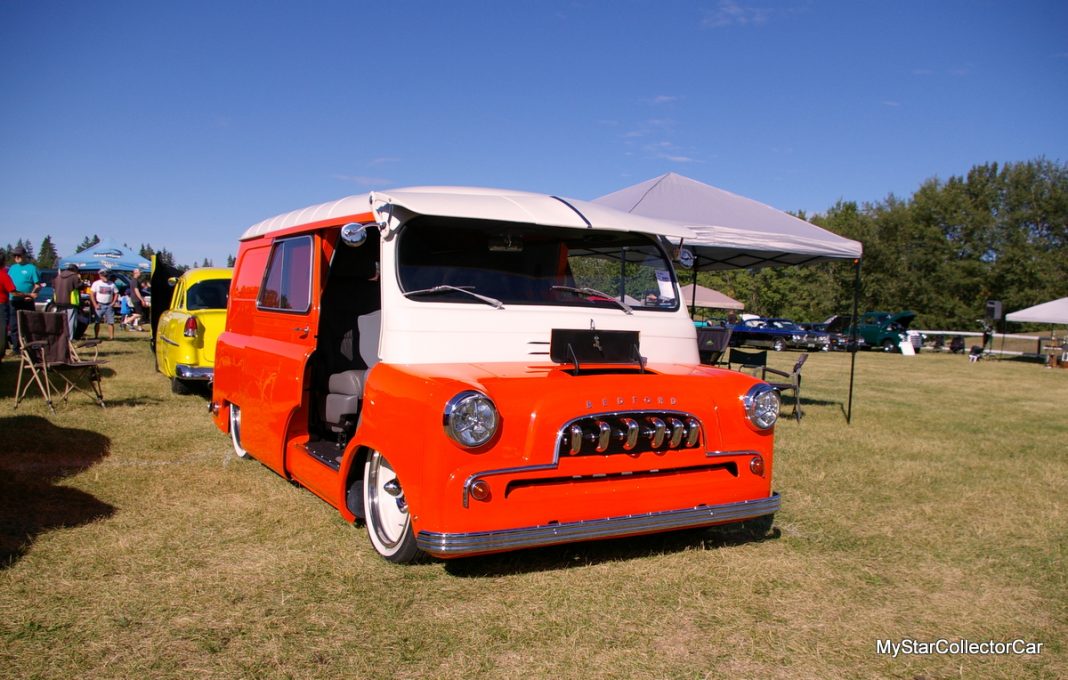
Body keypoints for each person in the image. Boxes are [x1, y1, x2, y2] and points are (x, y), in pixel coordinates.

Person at [7, 246, 41, 347]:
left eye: (19, 255)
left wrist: (31, 295)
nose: (16, 257)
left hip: (27, 301)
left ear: (24, 255)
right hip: (14, 300)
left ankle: (31, 345)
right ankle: (16, 347)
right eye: (15, 255)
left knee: (29, 324)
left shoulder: (31, 268)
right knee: (14, 325)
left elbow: (38, 285)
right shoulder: (12, 268)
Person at [52, 263, 83, 338]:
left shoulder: (58, 276)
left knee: (61, 321)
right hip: (71, 302)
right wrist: (81, 281)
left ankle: (61, 337)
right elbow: (79, 286)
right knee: (71, 321)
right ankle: (69, 338)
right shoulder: (74, 276)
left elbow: (53, 286)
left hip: (59, 302)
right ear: (75, 270)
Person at [90, 269, 118, 340]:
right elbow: (92, 294)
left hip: (109, 305)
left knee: (111, 322)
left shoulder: (112, 284)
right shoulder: (96, 283)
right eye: (104, 276)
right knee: (97, 322)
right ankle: (96, 336)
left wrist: (113, 302)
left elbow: (116, 293)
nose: (106, 278)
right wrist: (95, 304)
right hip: (99, 304)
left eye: (107, 276)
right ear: (100, 276)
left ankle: (111, 337)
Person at [0, 252, 18, 358]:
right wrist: (28, 295)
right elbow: (13, 291)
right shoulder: (3, 275)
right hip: (1, 306)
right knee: (2, 332)